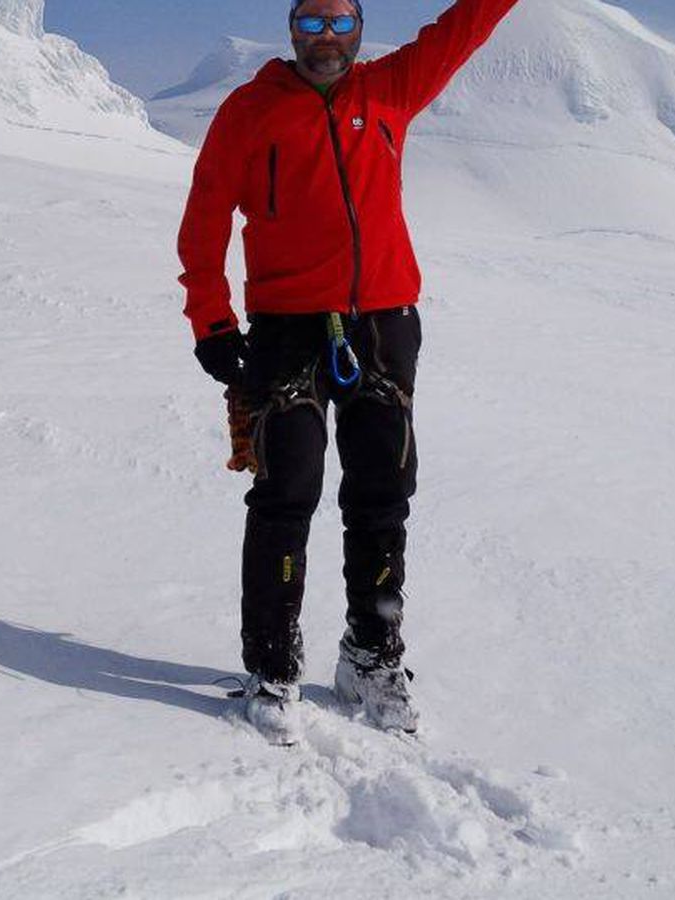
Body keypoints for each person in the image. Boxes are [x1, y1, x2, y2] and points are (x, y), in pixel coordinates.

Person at [177, 0, 521, 744]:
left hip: (384, 325)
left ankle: (371, 654)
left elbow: (462, 27)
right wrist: (210, 319)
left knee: (382, 493)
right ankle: (272, 667)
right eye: (312, 22)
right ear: (292, 28)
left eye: (339, 23)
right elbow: (205, 216)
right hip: (286, 329)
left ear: (358, 30)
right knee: (285, 495)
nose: (325, 38)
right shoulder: (249, 111)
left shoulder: (392, 88)